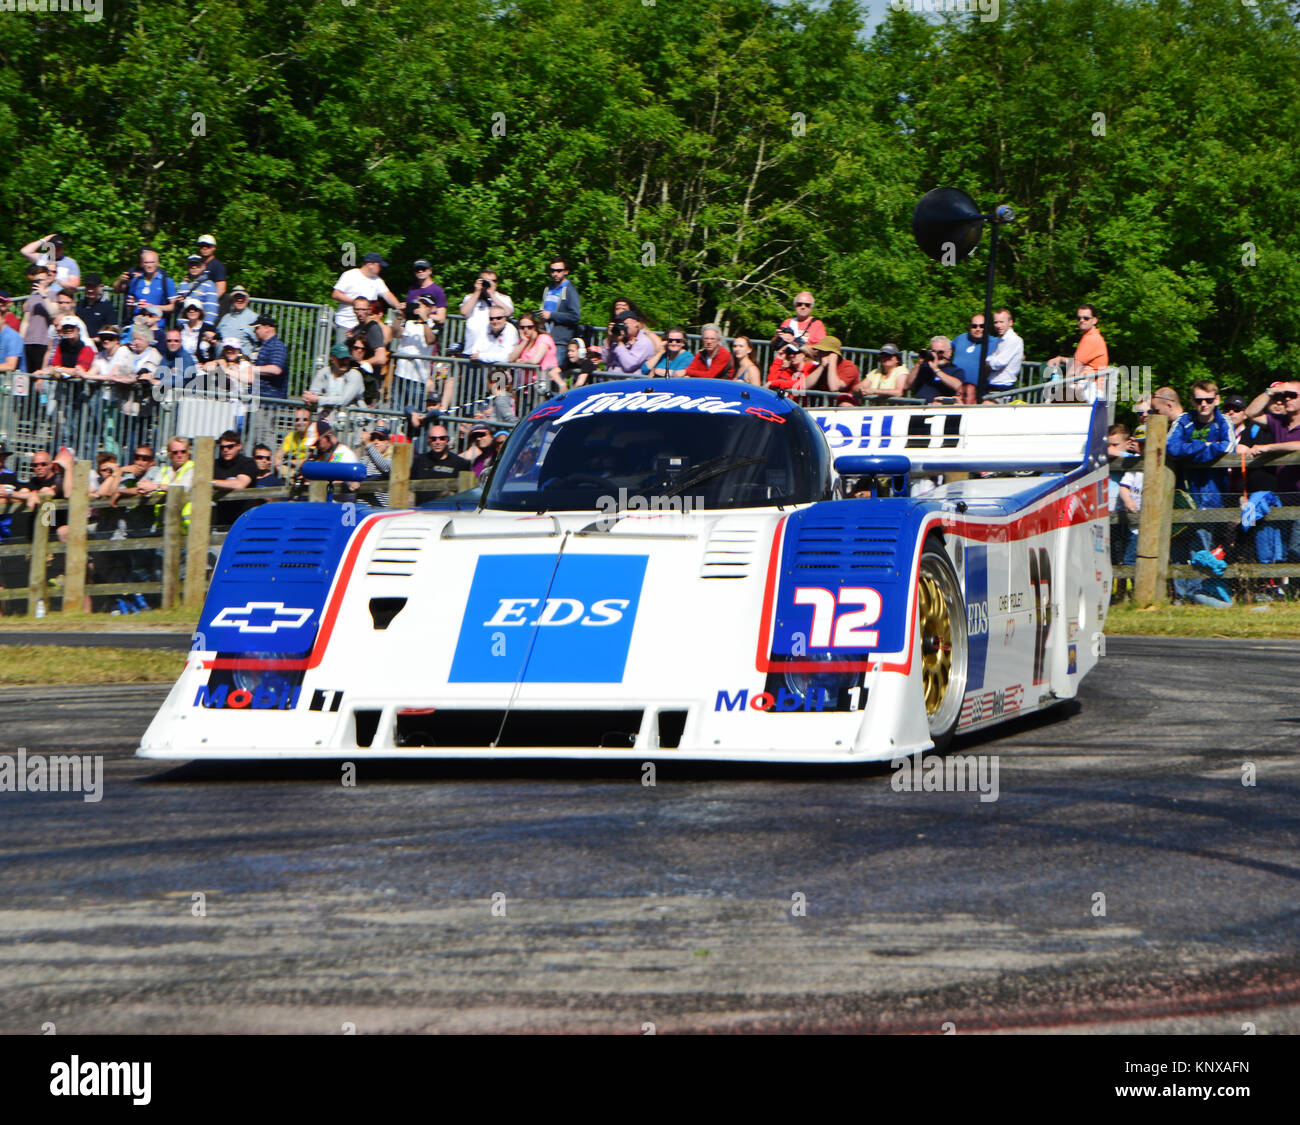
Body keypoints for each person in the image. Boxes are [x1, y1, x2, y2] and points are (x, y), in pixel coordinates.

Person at [331, 252, 400, 343]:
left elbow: (387, 295)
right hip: (346, 323)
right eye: (379, 266)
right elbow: (335, 294)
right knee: (343, 354)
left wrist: (399, 306)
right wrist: (357, 303)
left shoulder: (377, 280)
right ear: (370, 264)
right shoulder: (350, 275)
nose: (381, 269)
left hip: (365, 326)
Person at [459, 269, 514, 356]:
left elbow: (508, 313)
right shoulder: (471, 297)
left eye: (494, 281)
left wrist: (492, 294)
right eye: (486, 281)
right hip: (471, 349)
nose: (490, 283)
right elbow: (464, 312)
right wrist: (477, 291)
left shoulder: (503, 299)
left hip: (492, 352)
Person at [211, 430, 260, 525]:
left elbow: (240, 484)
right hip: (219, 519)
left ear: (239, 446)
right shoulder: (214, 465)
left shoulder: (247, 463)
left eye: (230, 447)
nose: (226, 450)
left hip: (243, 519)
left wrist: (211, 482)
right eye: (222, 447)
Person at [1048, 304, 1109, 379]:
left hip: (1090, 387)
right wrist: (1060, 359)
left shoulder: (1091, 339)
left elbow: (1073, 371)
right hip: (1089, 385)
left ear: (1094, 320)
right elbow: (1079, 362)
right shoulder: (1093, 336)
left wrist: (1062, 387)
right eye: (1079, 318)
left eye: (1086, 318)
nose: (1081, 320)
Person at [114, 246, 177, 316]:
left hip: (156, 324)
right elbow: (121, 294)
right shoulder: (135, 281)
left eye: (152, 262)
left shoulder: (166, 281)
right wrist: (131, 305)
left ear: (158, 263)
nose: (149, 265)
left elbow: (174, 307)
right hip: (136, 323)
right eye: (146, 262)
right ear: (142, 264)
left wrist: (152, 307)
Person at [303, 344, 364, 412]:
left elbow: (343, 401)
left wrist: (318, 399)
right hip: (326, 418)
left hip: (351, 419)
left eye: (347, 358)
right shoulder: (323, 373)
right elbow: (313, 394)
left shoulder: (354, 375)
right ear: (332, 358)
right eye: (341, 359)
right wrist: (308, 397)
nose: (345, 362)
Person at [539, 258, 581, 357]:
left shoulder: (570, 290)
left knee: (555, 371)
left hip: (560, 342)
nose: (555, 274)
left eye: (559, 271)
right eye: (552, 271)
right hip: (545, 338)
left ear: (566, 271)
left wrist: (551, 315)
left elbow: (575, 316)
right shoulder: (548, 289)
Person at [19, 264, 55, 374]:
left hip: (43, 342)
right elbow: (25, 321)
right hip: (28, 342)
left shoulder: (52, 295)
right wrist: (20, 339)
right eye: (36, 280)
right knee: (26, 375)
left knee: (38, 375)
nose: (38, 282)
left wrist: (44, 295)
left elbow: (54, 313)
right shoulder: (32, 296)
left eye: (41, 280)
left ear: (47, 279)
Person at [800, 336, 860, 401]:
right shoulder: (820, 366)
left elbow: (834, 388)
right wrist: (822, 366)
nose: (818, 354)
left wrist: (832, 362)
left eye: (823, 351)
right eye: (819, 351)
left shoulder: (848, 367)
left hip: (843, 408)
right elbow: (805, 386)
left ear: (833, 354)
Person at [904, 337, 963, 402]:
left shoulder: (955, 370)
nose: (937, 356)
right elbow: (907, 386)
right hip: (919, 406)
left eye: (940, 352)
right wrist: (919, 363)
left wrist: (936, 370)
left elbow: (959, 387)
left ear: (950, 352)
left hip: (940, 408)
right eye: (934, 352)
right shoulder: (924, 368)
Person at [509, 311, 556, 385]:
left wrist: (521, 363)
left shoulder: (544, 338)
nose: (525, 330)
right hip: (525, 384)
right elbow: (511, 359)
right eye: (522, 327)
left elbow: (535, 360)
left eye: (529, 327)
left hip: (543, 384)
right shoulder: (522, 340)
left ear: (535, 327)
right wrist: (524, 341)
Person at [949, 313, 988, 402]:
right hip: (956, 390)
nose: (978, 329)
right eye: (974, 326)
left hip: (978, 392)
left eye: (982, 326)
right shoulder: (960, 338)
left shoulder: (994, 342)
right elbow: (946, 349)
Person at [985, 307, 1024, 393]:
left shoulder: (1014, 340)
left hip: (1003, 387)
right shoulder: (1001, 340)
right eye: (996, 322)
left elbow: (999, 363)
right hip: (993, 384)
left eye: (1001, 322)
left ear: (1010, 322)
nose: (998, 326)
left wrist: (987, 362)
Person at [605, 310, 655, 375]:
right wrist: (609, 340)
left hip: (630, 382)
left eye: (624, 324)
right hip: (612, 380)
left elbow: (629, 365)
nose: (622, 328)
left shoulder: (643, 341)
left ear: (636, 323)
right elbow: (606, 361)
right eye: (619, 324)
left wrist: (619, 343)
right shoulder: (618, 339)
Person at [251, 314, 289, 399]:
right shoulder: (259, 346)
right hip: (256, 399)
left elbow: (276, 369)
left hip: (270, 403)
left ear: (267, 328)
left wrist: (251, 369)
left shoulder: (277, 346)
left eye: (257, 328)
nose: (254, 331)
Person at [176, 254, 220, 325]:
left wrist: (206, 327)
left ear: (204, 267)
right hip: (183, 327)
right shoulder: (182, 284)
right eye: (191, 264)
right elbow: (180, 309)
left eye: (197, 265)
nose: (194, 267)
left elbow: (212, 309)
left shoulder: (209, 285)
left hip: (199, 327)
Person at [216, 285, 258, 357]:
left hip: (241, 362)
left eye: (242, 297)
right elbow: (217, 337)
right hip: (221, 360)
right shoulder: (226, 317)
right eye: (236, 297)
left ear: (247, 300)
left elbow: (259, 343)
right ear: (232, 299)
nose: (239, 299)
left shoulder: (254, 318)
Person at [358, 426, 394, 506]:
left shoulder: (391, 459)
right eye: (373, 438)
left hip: (379, 509)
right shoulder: (364, 459)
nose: (376, 442)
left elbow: (385, 467)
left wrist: (368, 444)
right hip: (361, 507)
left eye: (380, 439)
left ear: (388, 443)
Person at [75, 274, 116, 338]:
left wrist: (96, 339)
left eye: (93, 287)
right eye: (88, 287)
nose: (90, 290)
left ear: (101, 287)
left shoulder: (107, 306)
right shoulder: (80, 304)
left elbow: (111, 329)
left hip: (99, 343)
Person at [278, 409, 314, 477]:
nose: (300, 422)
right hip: (296, 469)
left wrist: (291, 462)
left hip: (312, 467)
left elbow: (308, 458)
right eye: (297, 420)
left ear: (310, 422)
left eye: (304, 419)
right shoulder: (291, 436)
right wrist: (278, 461)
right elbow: (278, 455)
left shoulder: (314, 436)